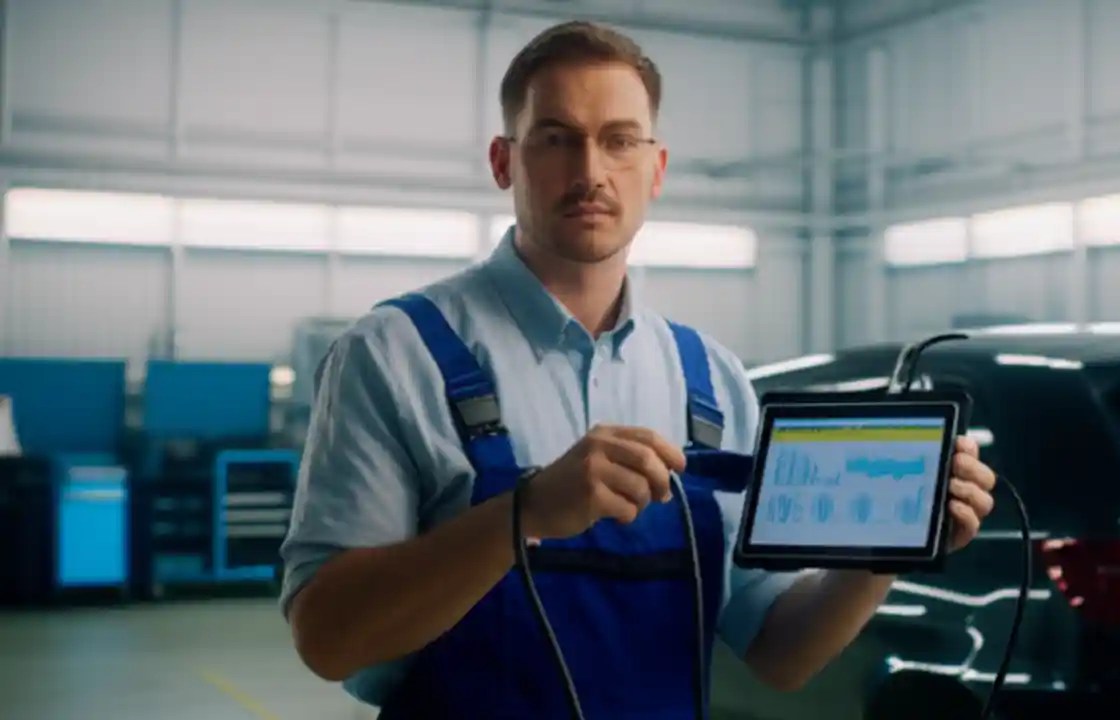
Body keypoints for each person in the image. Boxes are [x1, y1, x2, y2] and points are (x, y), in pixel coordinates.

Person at [280, 18, 997, 719]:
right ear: (504, 161)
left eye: (620, 141)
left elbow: (780, 653)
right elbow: (329, 639)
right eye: (558, 139)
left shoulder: (711, 382)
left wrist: (887, 547)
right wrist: (524, 515)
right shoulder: (395, 353)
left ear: (655, 169)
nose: (591, 172)